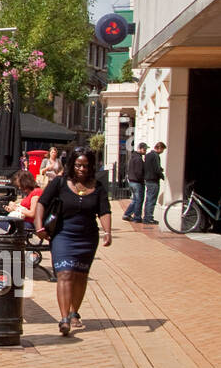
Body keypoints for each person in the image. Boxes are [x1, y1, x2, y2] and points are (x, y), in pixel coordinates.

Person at [33, 147, 112, 336]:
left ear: (91, 166)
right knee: (65, 273)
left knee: (80, 276)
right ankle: (64, 318)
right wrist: (39, 227)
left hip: (87, 237)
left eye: (85, 166)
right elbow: (42, 203)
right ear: (72, 165)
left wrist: (108, 231)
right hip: (62, 235)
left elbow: (104, 210)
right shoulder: (59, 183)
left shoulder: (98, 187)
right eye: (78, 165)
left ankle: (74, 311)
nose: (82, 169)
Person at [123, 142, 148, 222]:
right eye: (144, 149)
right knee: (139, 200)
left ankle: (127, 214)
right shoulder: (138, 159)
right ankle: (137, 217)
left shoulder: (133, 157)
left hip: (132, 181)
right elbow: (138, 172)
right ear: (140, 149)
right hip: (137, 182)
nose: (145, 151)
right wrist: (142, 180)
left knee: (135, 199)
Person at [142, 142, 166, 224]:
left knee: (148, 199)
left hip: (148, 179)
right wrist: (163, 176)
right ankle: (149, 218)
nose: (162, 152)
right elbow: (156, 168)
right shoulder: (155, 156)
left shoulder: (148, 155)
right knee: (152, 200)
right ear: (159, 148)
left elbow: (150, 167)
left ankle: (146, 217)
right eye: (162, 150)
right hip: (153, 180)